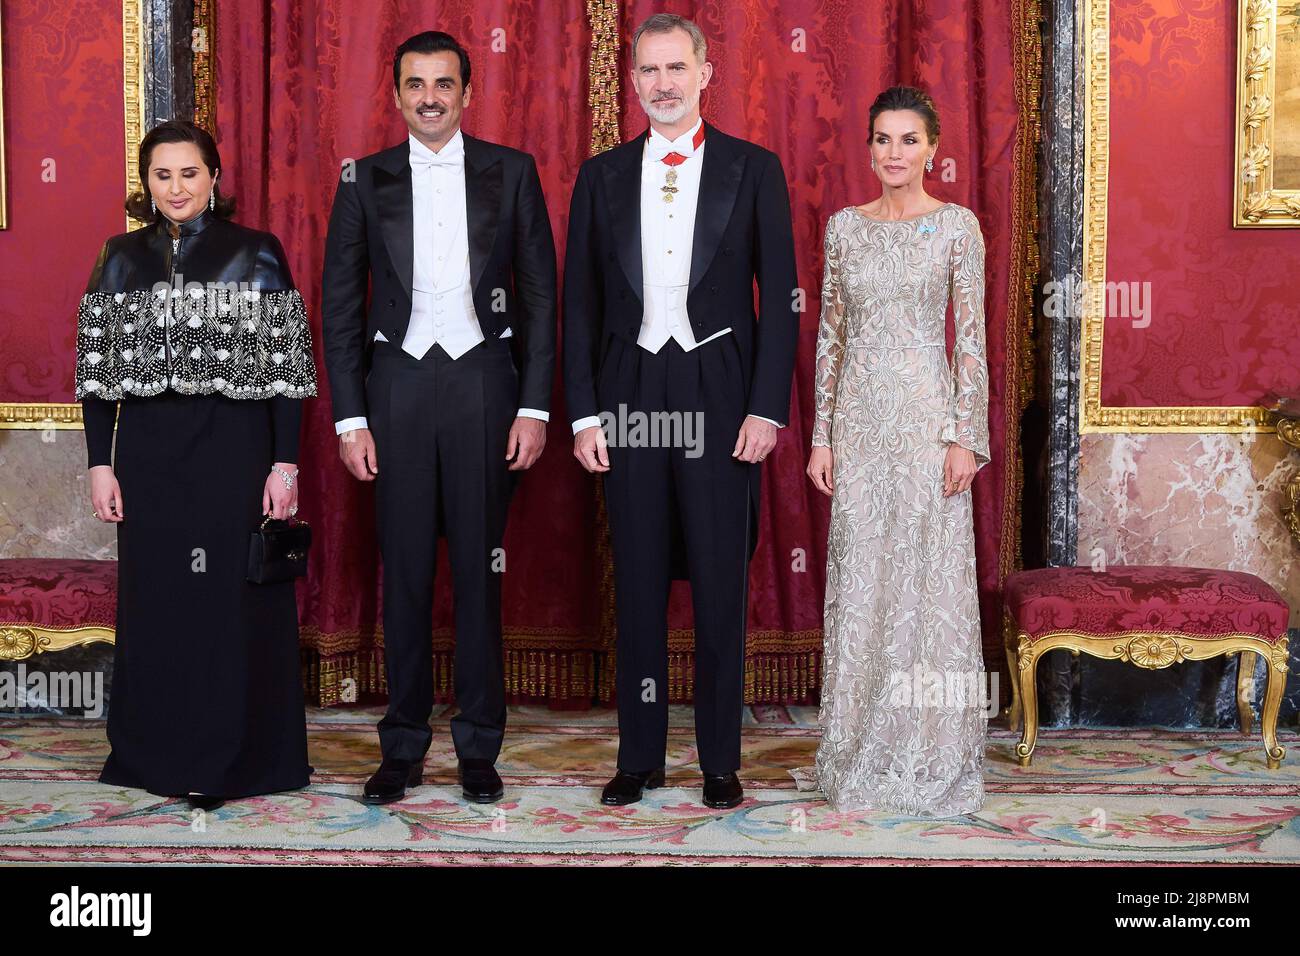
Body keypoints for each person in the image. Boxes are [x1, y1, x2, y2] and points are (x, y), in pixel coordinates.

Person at [564, 14, 798, 809]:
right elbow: (579, 308)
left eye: (676, 68)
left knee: (718, 583)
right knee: (636, 582)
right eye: (648, 71)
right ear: (632, 82)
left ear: (706, 72)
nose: (661, 83)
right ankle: (639, 757)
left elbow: (783, 307)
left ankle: (719, 761)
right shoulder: (598, 177)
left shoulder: (755, 168)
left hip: (720, 389)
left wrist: (767, 409)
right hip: (628, 387)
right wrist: (583, 416)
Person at [322, 31, 557, 806]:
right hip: (395, 389)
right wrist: (350, 418)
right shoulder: (363, 179)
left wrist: (533, 405)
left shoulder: (513, 172)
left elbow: (541, 299)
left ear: (467, 93)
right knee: (406, 576)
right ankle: (403, 745)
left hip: (487, 386)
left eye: (444, 84)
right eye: (416, 84)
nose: (430, 97)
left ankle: (479, 747)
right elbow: (340, 308)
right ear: (396, 95)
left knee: (480, 576)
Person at [78, 120, 318, 811]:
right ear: (145, 184)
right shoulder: (118, 258)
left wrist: (284, 466)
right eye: (162, 175)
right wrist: (101, 465)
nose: (176, 188)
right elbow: (98, 378)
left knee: (231, 607)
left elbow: (288, 375)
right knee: (160, 606)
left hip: (235, 454)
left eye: (189, 173)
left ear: (214, 176)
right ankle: (158, 756)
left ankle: (238, 761)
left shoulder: (258, 254)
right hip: (150, 459)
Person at [796, 86, 991, 817]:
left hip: (926, 428)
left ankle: (930, 751)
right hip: (860, 432)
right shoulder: (845, 228)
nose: (895, 154)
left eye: (909, 140)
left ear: (933, 150)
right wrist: (823, 436)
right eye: (882, 139)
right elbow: (832, 337)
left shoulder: (956, 229)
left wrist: (964, 438)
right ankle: (856, 748)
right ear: (868, 147)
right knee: (865, 583)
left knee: (927, 588)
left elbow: (970, 342)